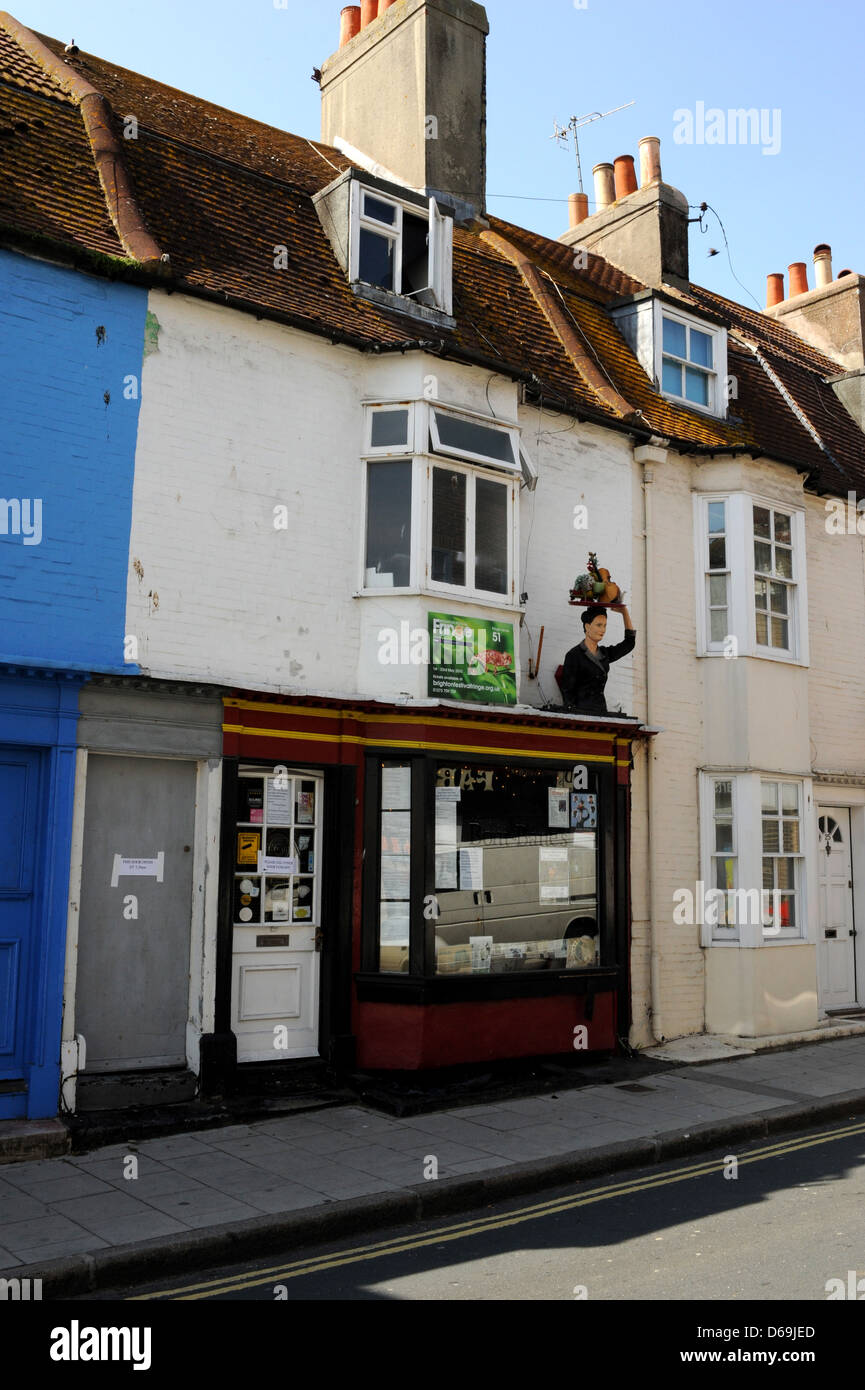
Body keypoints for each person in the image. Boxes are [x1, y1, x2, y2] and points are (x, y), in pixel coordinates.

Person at [560, 604, 636, 715]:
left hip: (601, 713)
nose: (603, 630)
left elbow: (629, 644)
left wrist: (624, 612)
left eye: (605, 625)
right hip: (581, 714)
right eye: (599, 625)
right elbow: (567, 692)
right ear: (587, 626)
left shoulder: (604, 654)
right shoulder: (574, 655)